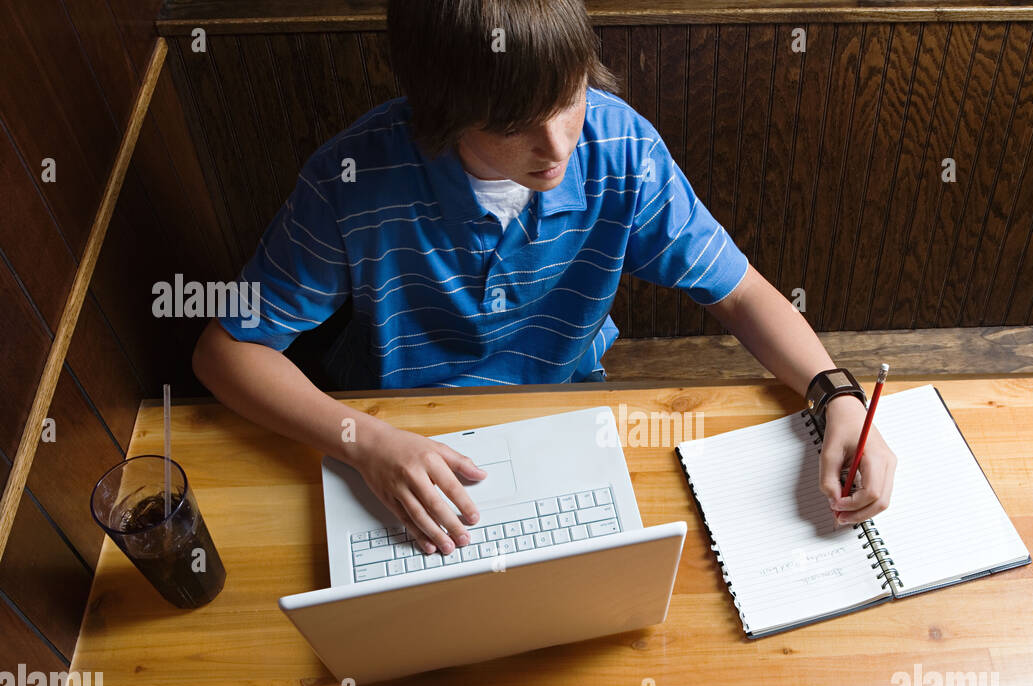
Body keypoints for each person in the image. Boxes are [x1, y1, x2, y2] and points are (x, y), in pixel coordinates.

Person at [192, 0, 896, 557]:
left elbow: (739, 291)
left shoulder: (620, 146)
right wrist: (366, 444)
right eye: (516, 125)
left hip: (565, 417)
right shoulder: (352, 181)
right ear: (445, 110)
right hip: (399, 433)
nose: (558, 147)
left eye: (569, 99)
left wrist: (834, 393)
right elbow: (226, 350)